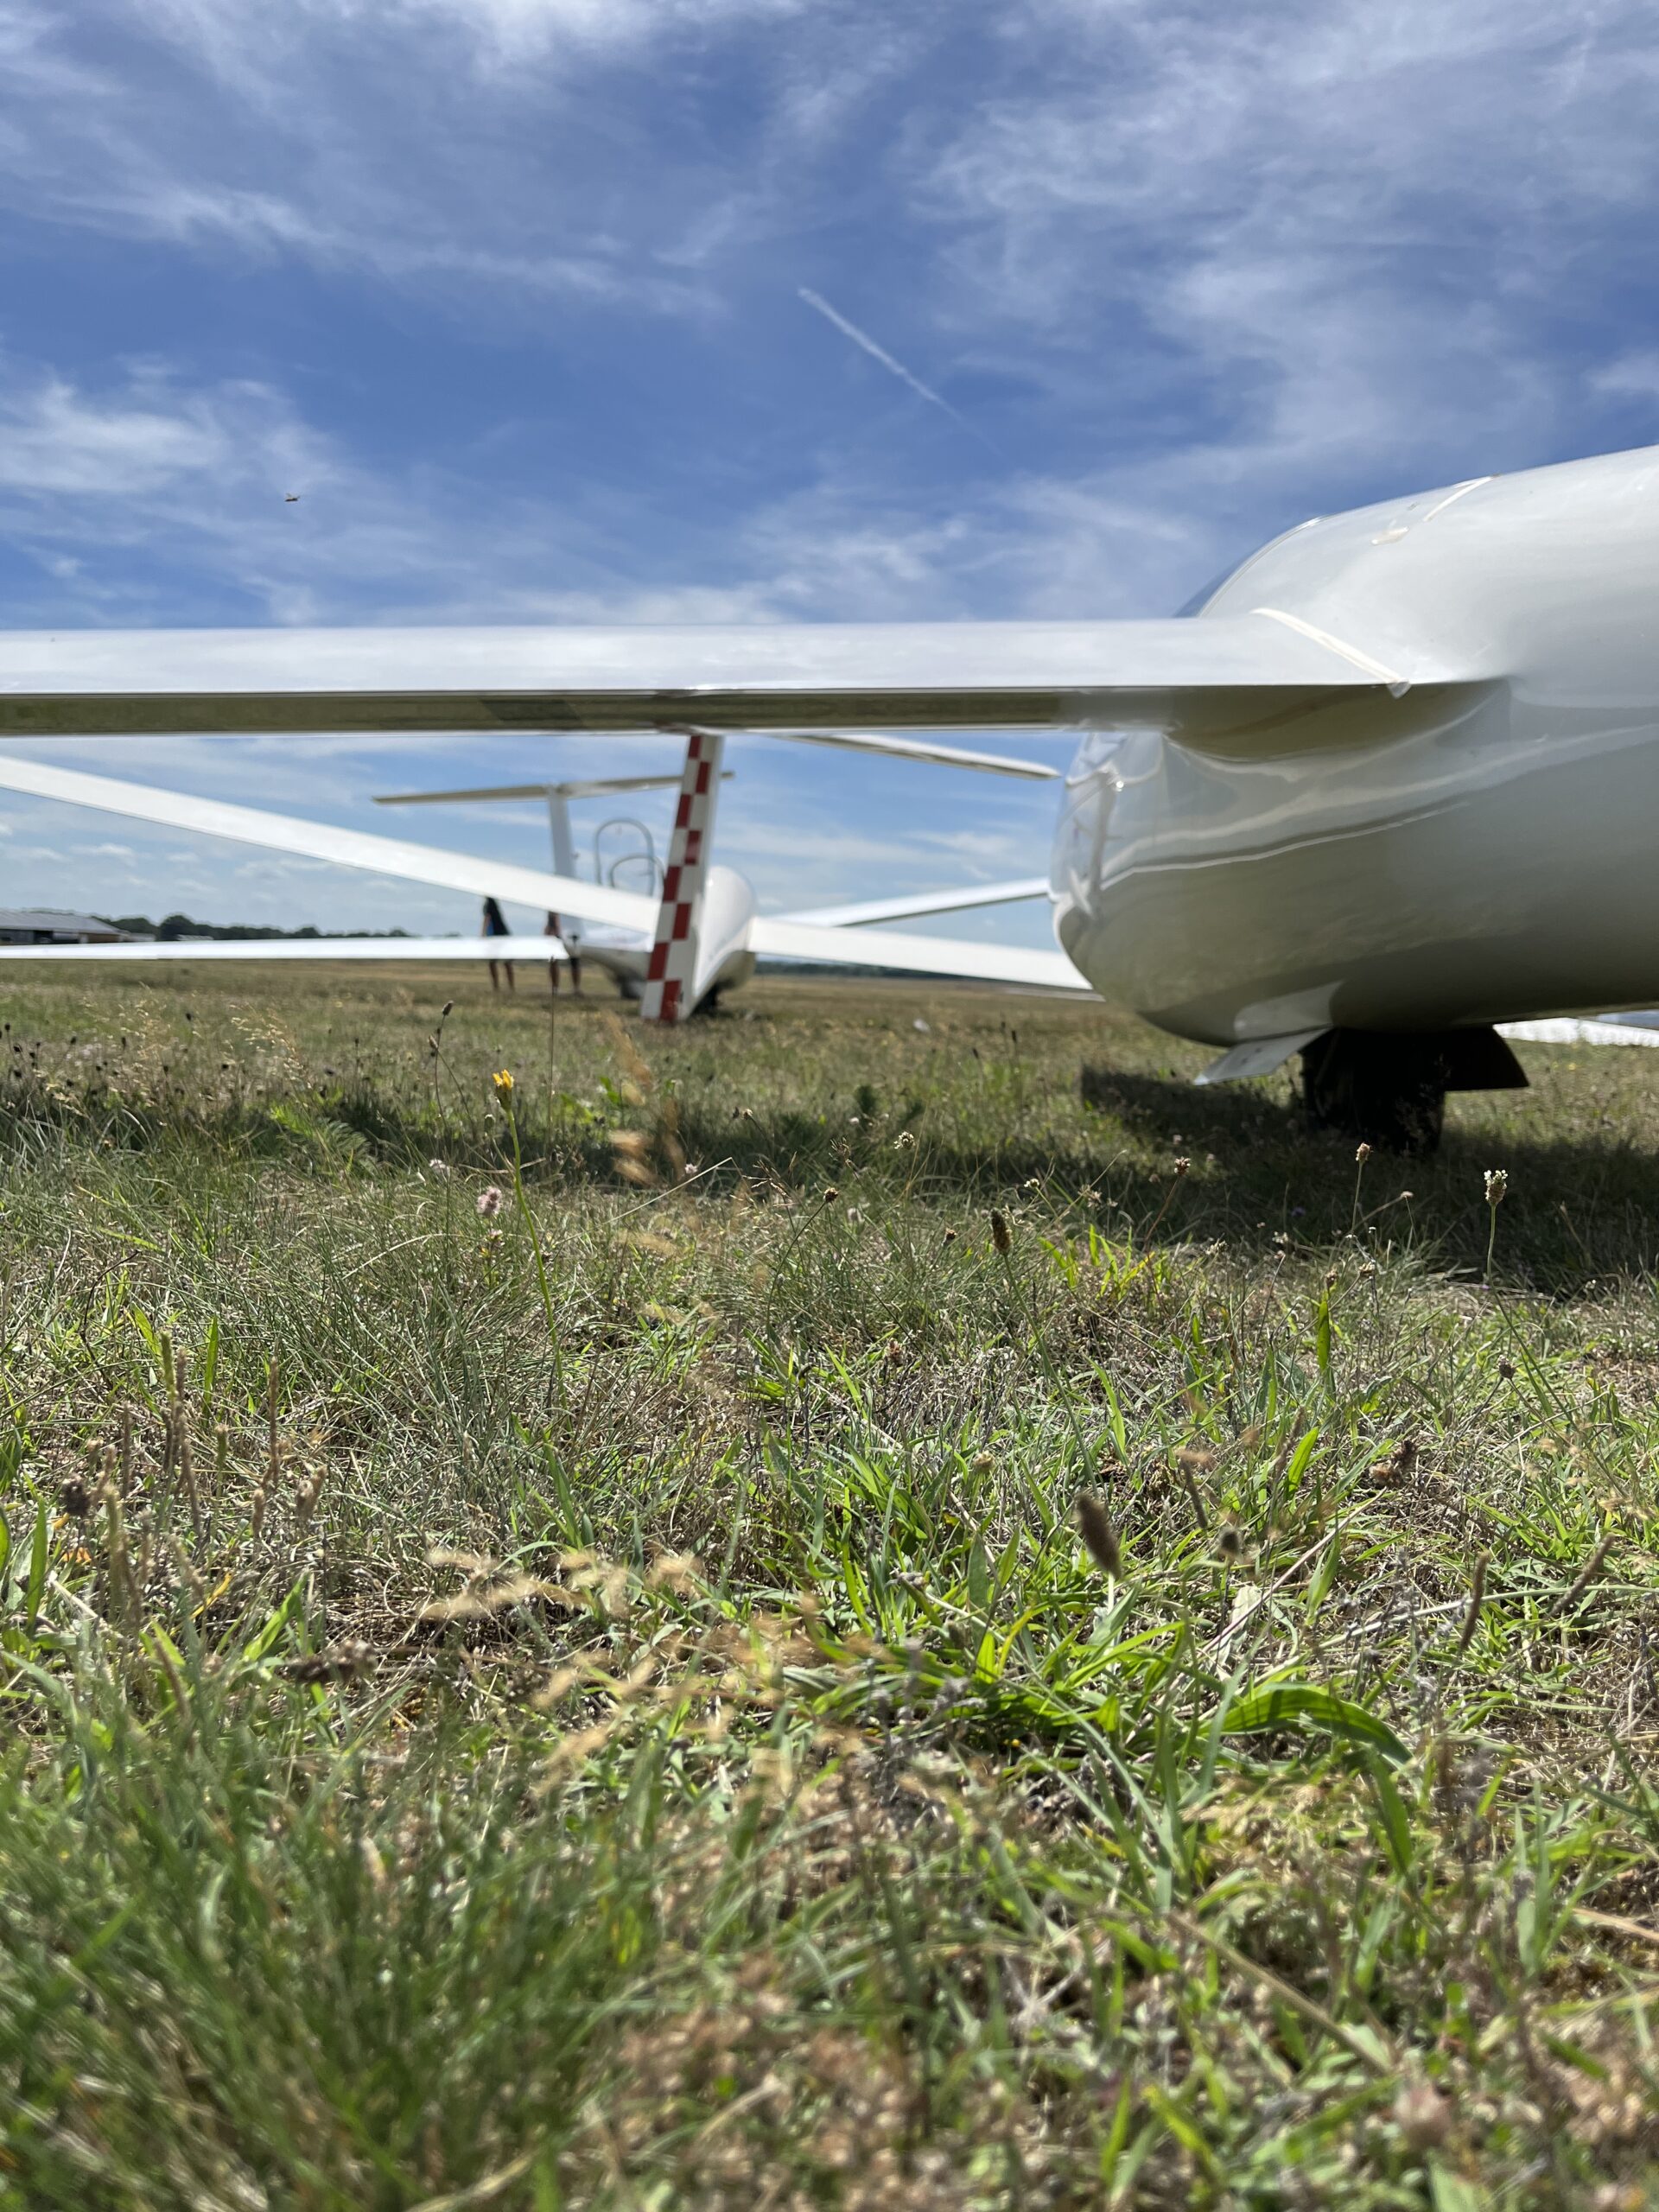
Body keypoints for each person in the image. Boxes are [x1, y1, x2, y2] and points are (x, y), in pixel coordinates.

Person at [545, 912, 582, 995]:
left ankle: (576, 988)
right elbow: (551, 915)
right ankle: (555, 988)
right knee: (554, 960)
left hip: (572, 932)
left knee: (575, 961)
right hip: (558, 932)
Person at [481, 895, 513, 993]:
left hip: (497, 935)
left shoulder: (489, 903)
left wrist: (482, 933)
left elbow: (487, 918)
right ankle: (510, 987)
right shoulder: (494, 904)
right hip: (503, 934)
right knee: (506, 963)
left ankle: (497, 987)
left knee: (493, 962)